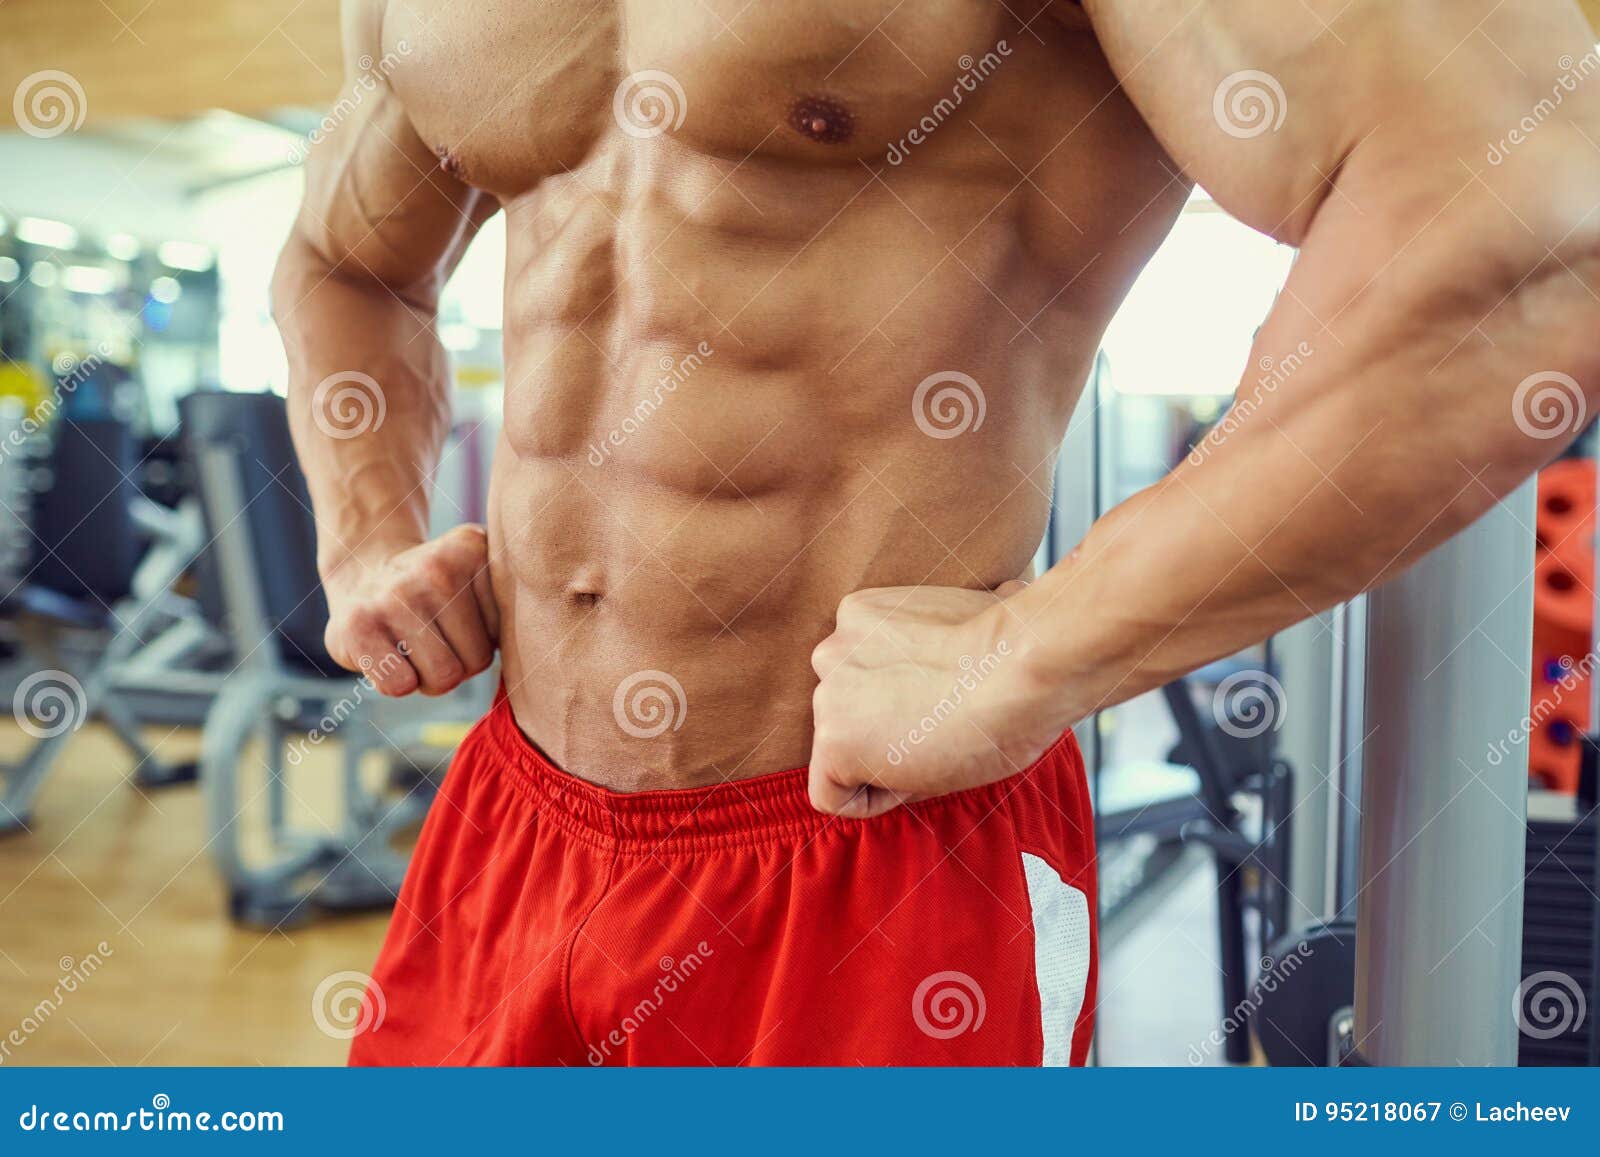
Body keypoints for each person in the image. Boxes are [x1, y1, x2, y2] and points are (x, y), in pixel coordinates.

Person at [273, 0, 1600, 1065]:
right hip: (512, 819)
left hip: (876, 863)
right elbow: (345, 261)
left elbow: (1538, 215)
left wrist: (1035, 656)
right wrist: (367, 539)